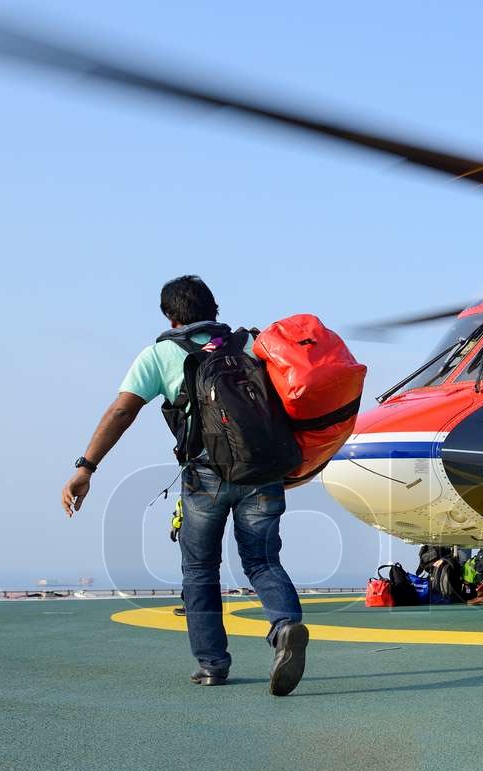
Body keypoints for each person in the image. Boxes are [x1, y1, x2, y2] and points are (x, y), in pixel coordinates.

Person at [60, 275, 309, 695]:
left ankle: (212, 665)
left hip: (205, 475)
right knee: (263, 560)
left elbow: (122, 411)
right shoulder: (253, 344)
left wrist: (86, 468)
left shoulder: (160, 353)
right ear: (215, 309)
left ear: (170, 316)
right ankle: (284, 626)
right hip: (262, 472)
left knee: (199, 569)